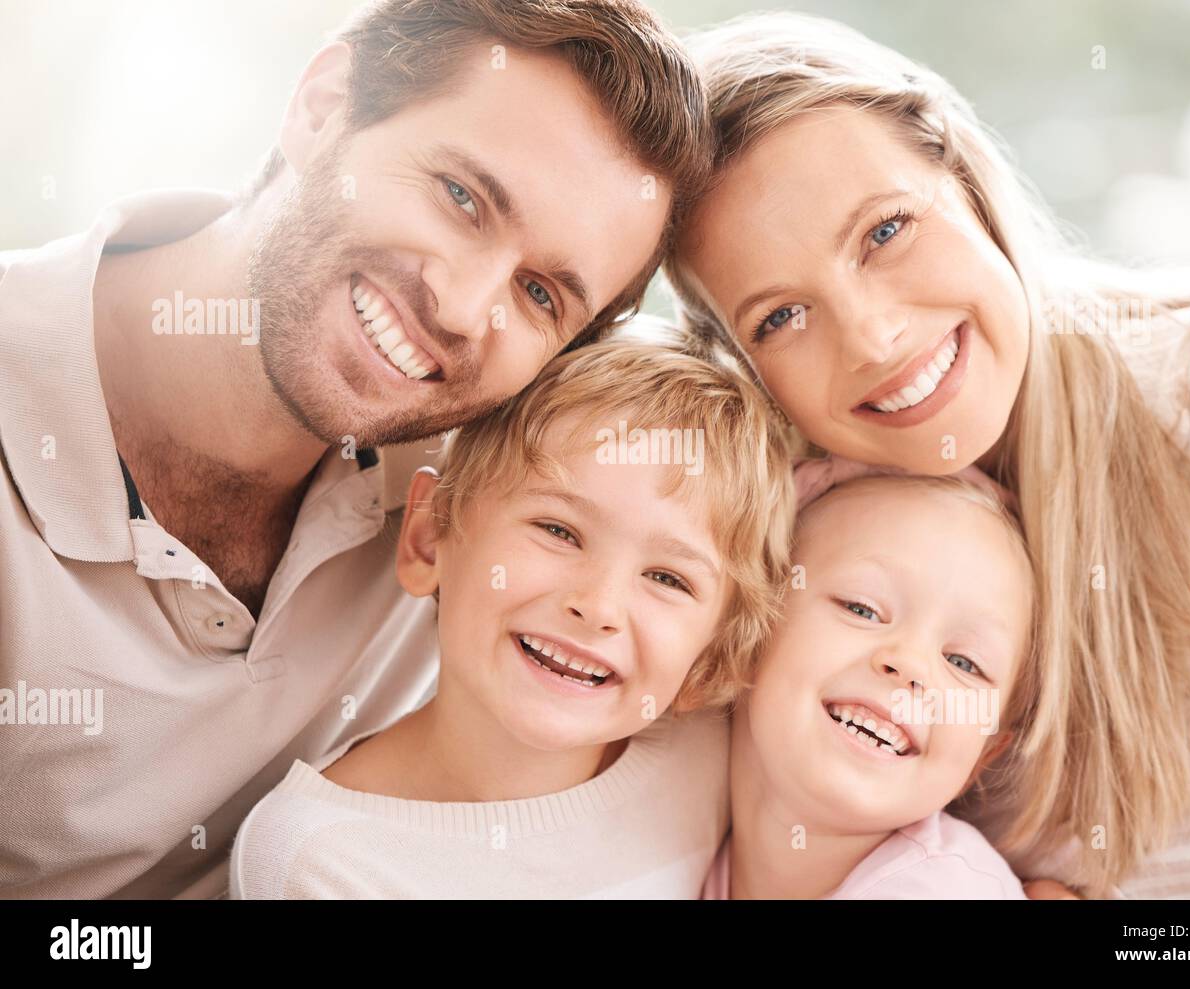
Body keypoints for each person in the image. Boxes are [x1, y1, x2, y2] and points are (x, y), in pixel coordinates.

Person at [0, 0, 712, 899]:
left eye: (538, 294)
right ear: (323, 105)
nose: (459, 307)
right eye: (461, 198)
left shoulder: (491, 497)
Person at [664, 11, 1190, 897]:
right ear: (745, 368)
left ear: (962, 176)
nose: (874, 336)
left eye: (885, 232)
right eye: (780, 317)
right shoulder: (796, 553)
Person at [230, 333, 795, 897]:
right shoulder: (318, 859)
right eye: (558, 532)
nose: (597, 606)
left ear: (715, 651)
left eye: (668, 579)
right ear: (430, 538)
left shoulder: (712, 757)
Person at [704, 472, 1033, 899]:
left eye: (964, 663)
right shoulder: (676, 850)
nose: (910, 664)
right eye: (862, 608)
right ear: (751, 627)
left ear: (984, 756)